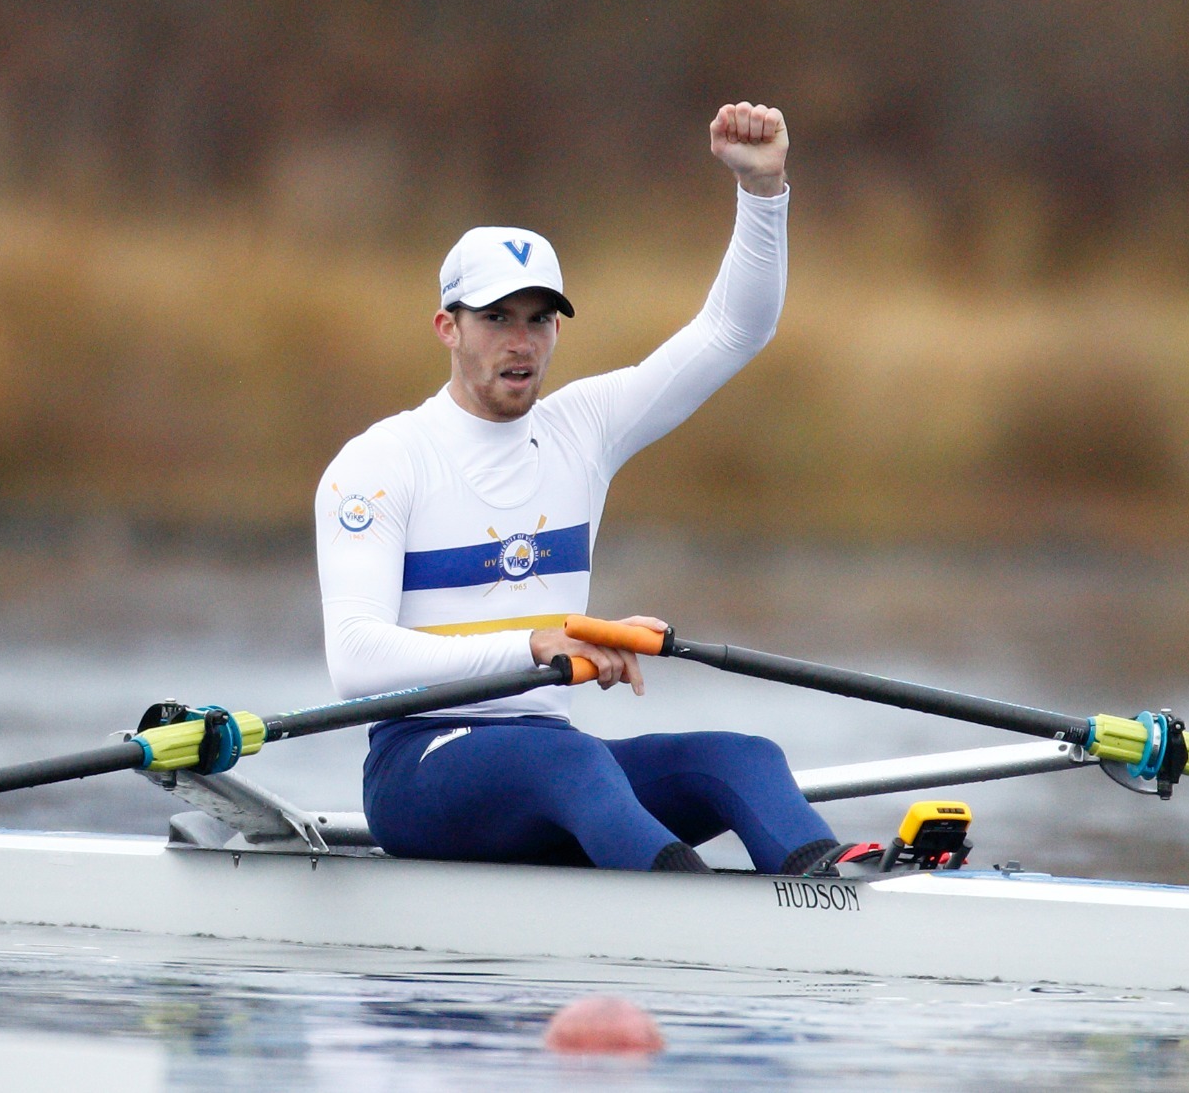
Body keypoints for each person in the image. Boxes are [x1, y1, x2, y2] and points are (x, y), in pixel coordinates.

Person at [314, 102, 844, 875]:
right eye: (495, 318)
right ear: (446, 327)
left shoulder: (582, 429)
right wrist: (535, 643)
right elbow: (354, 659)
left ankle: (829, 895)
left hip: (555, 763)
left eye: (540, 319)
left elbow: (734, 332)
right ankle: (679, 920)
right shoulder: (381, 463)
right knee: (573, 765)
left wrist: (762, 193)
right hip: (419, 762)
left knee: (742, 757)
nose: (521, 342)